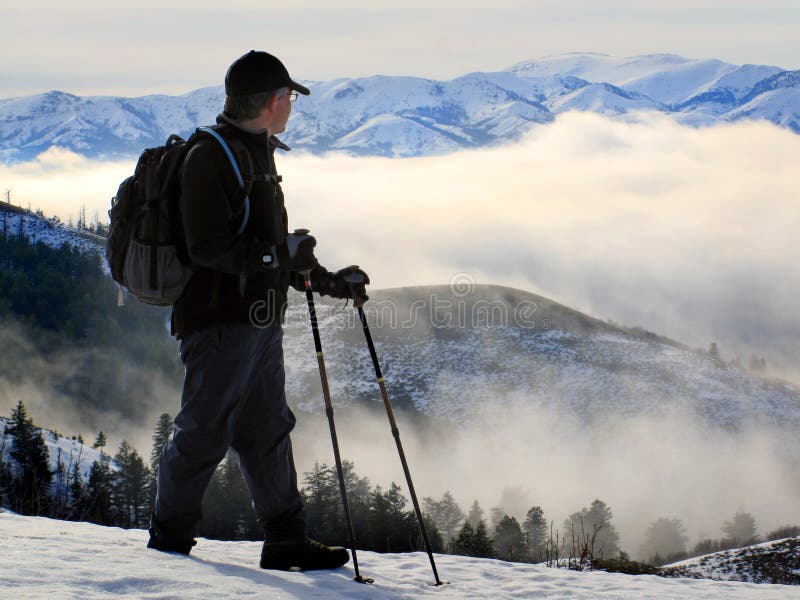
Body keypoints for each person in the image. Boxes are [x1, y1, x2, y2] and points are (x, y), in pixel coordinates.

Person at [147, 50, 369, 572]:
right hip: (220, 324)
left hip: (259, 322)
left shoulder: (256, 152)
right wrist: (277, 254)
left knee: (267, 427)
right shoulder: (211, 156)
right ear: (272, 102)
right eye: (288, 96)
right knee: (203, 432)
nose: (291, 104)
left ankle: (286, 540)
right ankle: (168, 546)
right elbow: (206, 247)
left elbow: (266, 249)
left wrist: (328, 280)